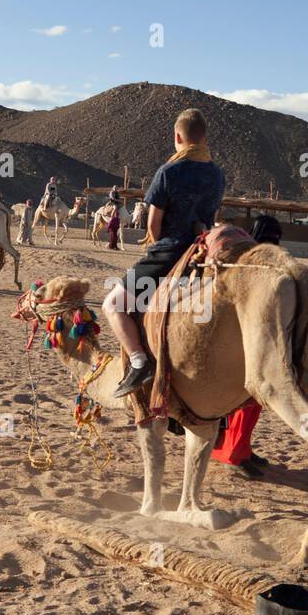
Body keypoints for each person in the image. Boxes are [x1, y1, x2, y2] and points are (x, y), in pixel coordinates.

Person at [102, 108, 224, 398]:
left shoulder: (169, 171)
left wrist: (160, 251)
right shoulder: (217, 175)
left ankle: (139, 362)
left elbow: (154, 224)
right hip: (202, 253)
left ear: (177, 137)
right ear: (204, 138)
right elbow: (213, 217)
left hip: (169, 252)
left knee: (113, 305)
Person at [211, 214, 282, 478]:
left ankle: (243, 449)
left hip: (258, 340)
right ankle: (233, 454)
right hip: (238, 341)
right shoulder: (243, 262)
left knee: (255, 402)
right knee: (242, 402)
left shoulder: (268, 262)